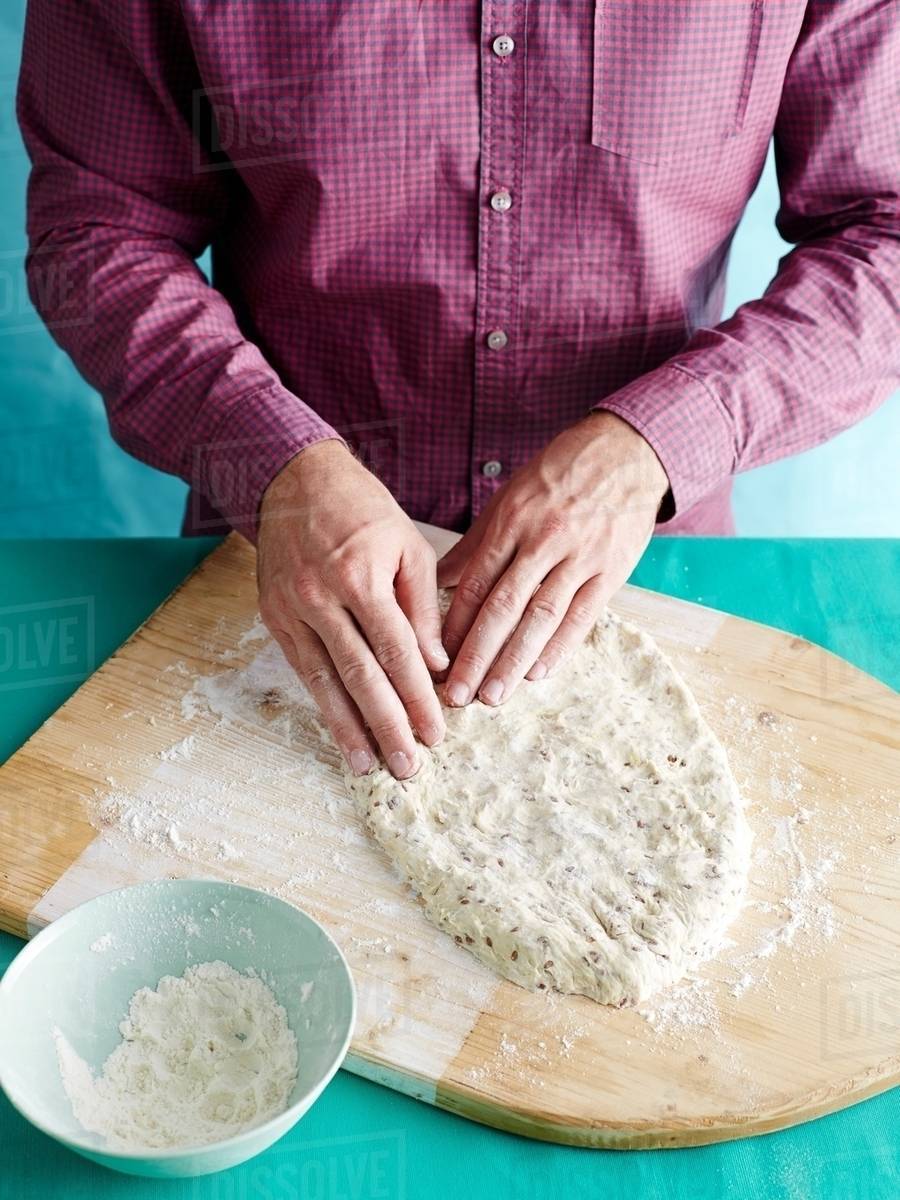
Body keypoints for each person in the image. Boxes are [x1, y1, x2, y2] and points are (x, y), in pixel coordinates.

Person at [17, 2, 898, 780]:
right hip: (281, 572)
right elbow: (97, 234)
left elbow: (886, 235)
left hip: (653, 564)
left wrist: (660, 441)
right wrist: (276, 463)